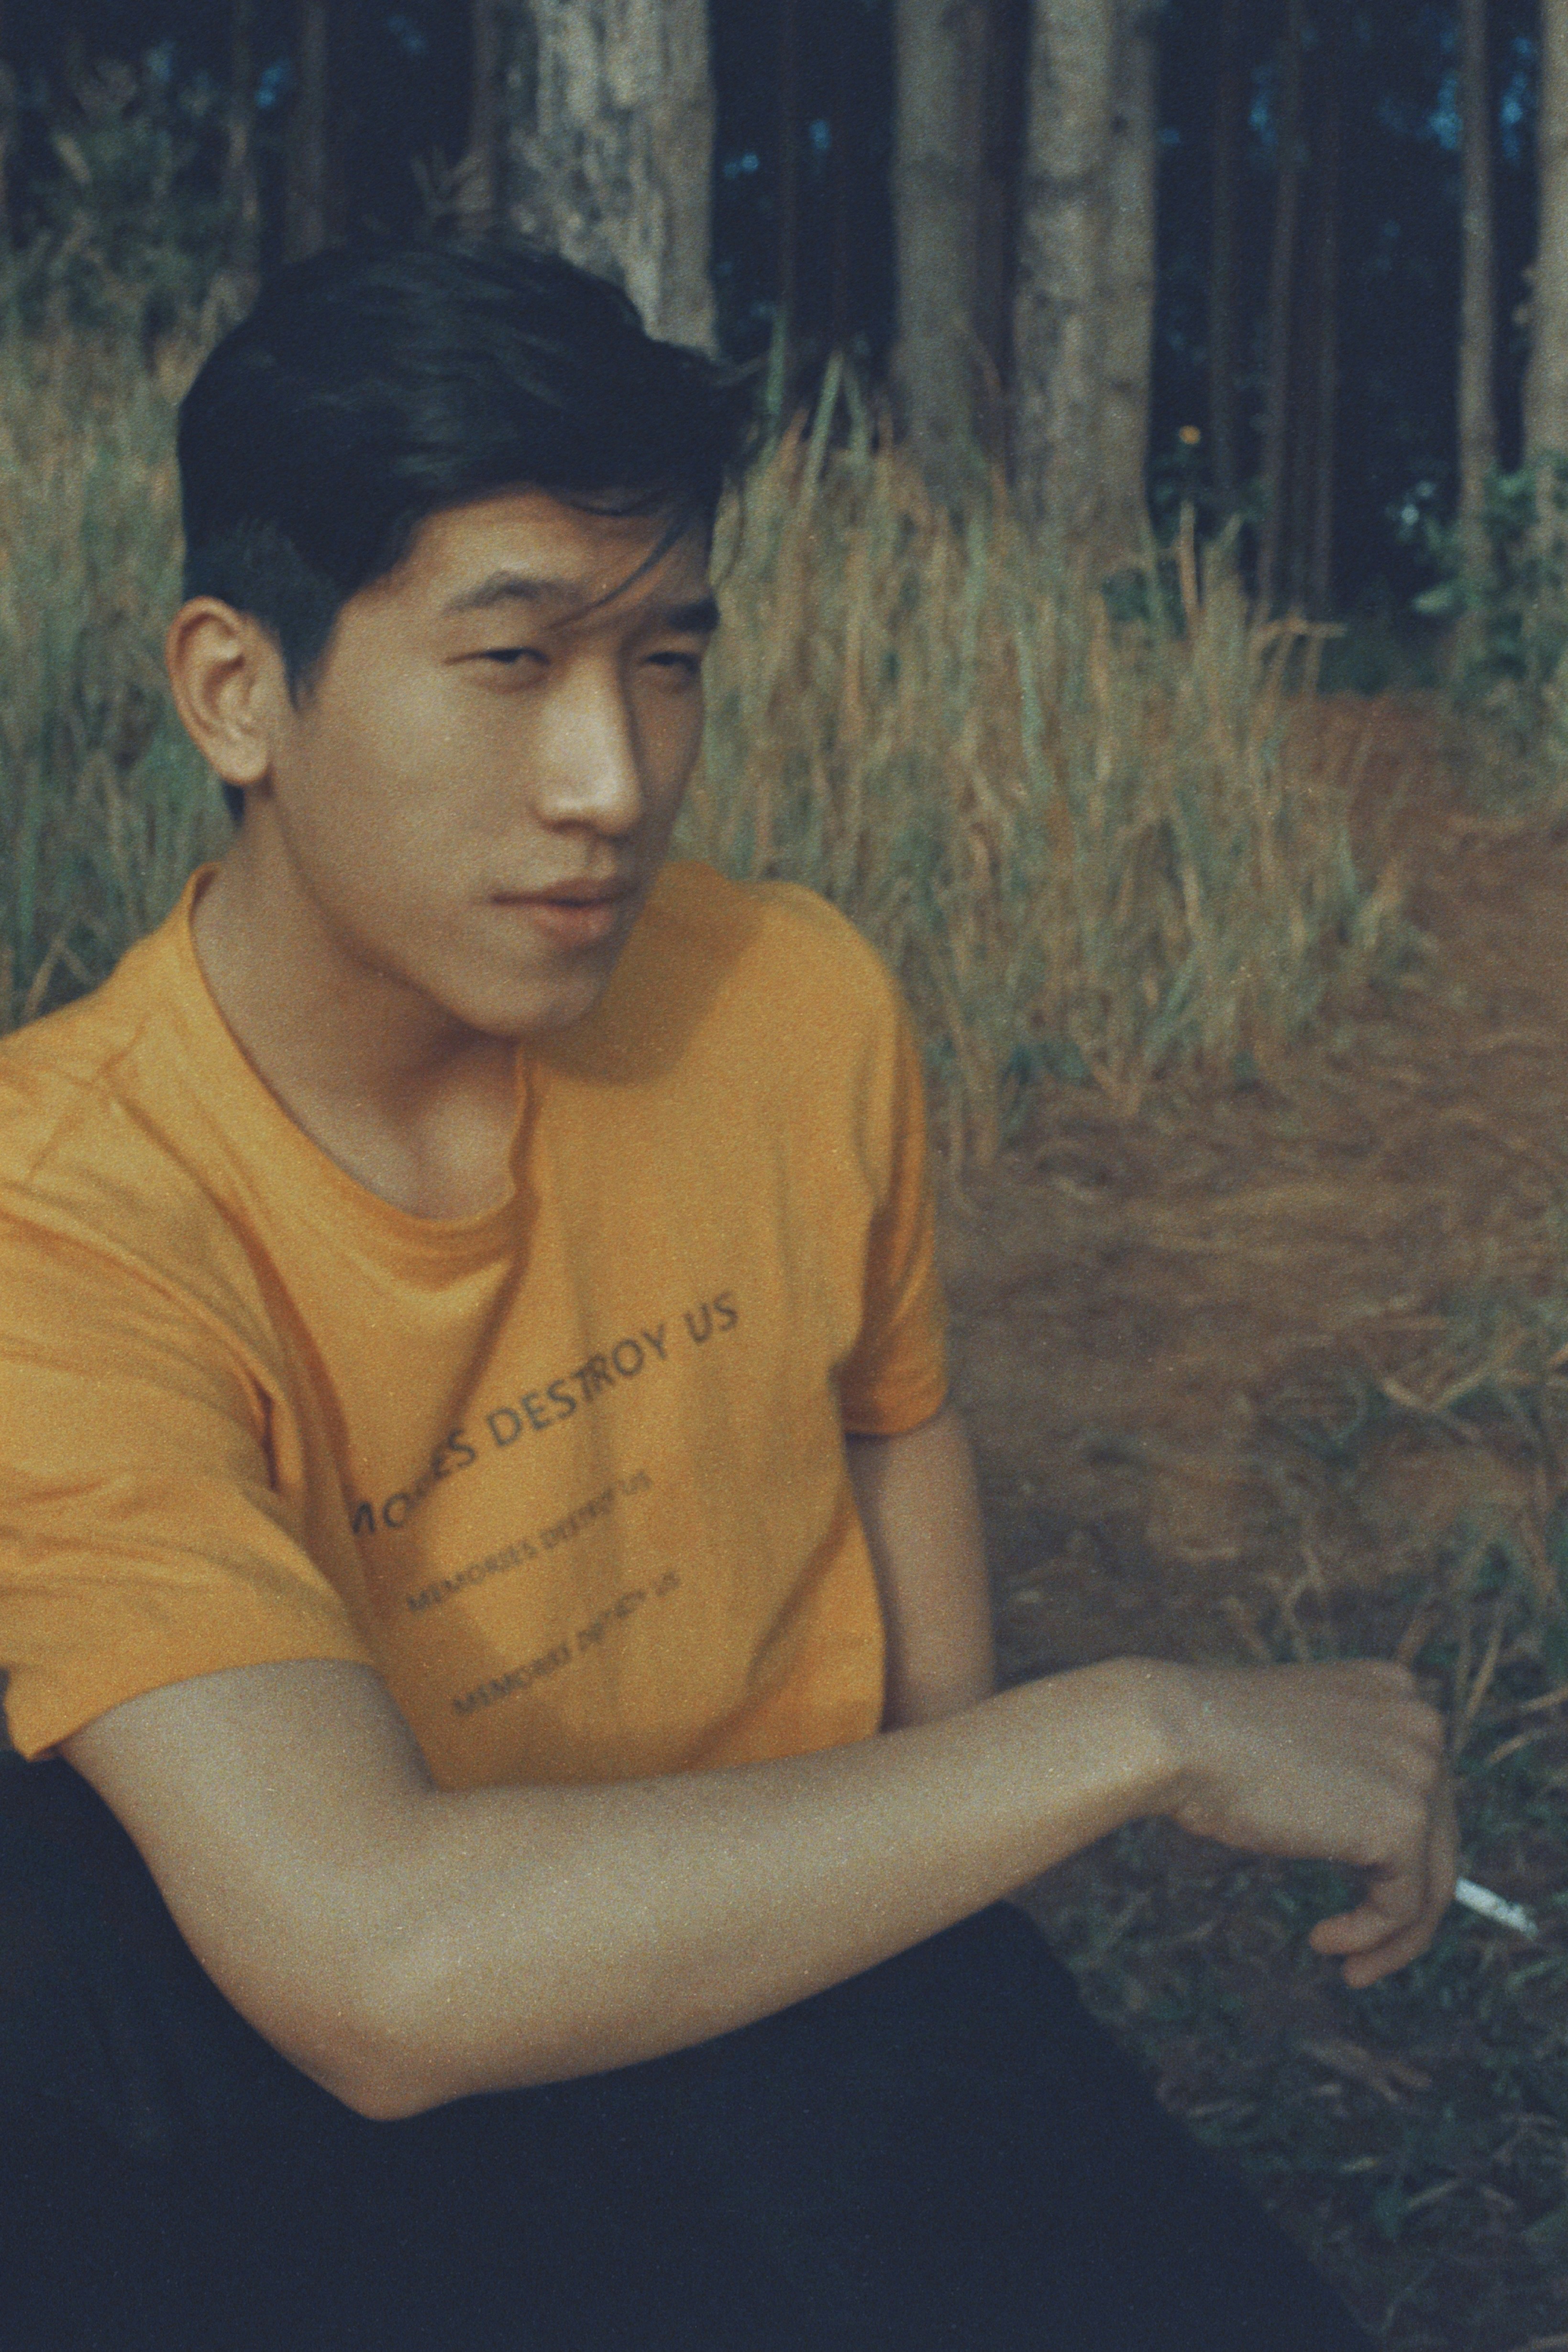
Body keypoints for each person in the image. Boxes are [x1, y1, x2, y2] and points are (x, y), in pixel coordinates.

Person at [0, 243, 1453, 2352]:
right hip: (309, 2092)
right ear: (236, 688)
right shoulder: (66, 1222)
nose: (611, 778)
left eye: (665, 656)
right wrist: (1124, 1736)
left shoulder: (787, 1002)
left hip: (799, 1966)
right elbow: (377, 1977)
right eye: (510, 664)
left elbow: (891, 1413)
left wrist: (958, 1886)